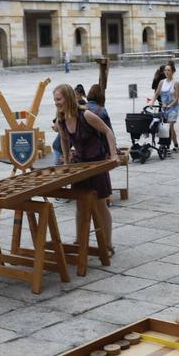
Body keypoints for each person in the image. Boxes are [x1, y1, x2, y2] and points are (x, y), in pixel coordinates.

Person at [55, 83, 119, 252]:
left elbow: (107, 132)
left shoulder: (86, 115)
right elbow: (64, 140)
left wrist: (113, 156)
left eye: (59, 99)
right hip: (80, 165)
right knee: (80, 205)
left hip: (96, 164)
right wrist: (67, 160)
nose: (56, 103)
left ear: (68, 97)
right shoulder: (61, 119)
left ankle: (107, 244)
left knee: (100, 205)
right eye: (55, 100)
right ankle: (79, 240)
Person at [157, 62, 179, 153]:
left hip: (173, 108)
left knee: (170, 126)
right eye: (165, 70)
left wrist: (169, 105)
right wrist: (151, 102)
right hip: (164, 107)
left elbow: (177, 99)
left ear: (173, 72)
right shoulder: (161, 82)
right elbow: (156, 94)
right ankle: (176, 145)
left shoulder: (176, 83)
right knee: (169, 128)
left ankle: (167, 146)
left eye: (169, 70)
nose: (167, 72)